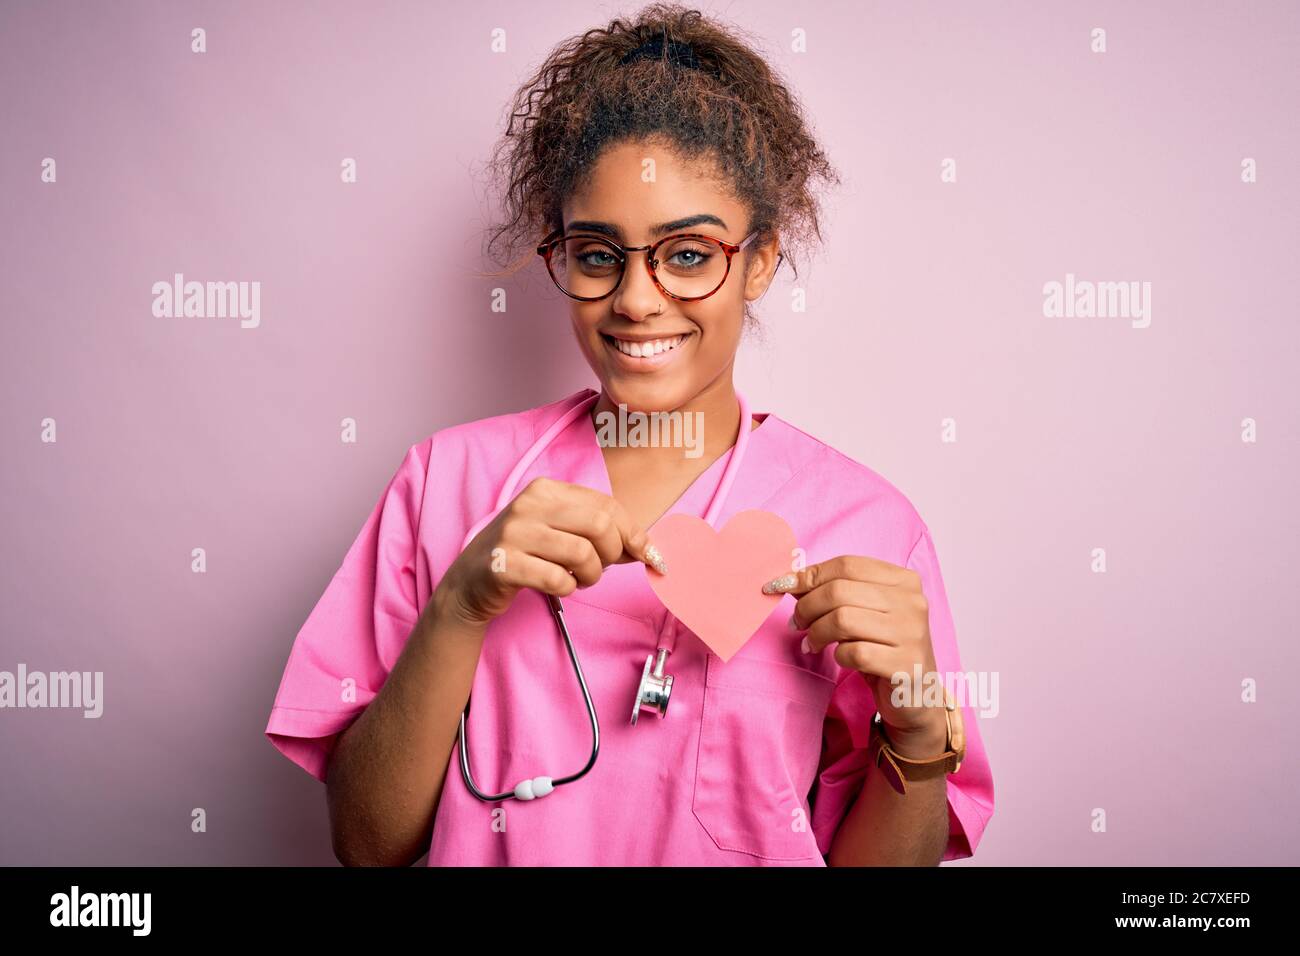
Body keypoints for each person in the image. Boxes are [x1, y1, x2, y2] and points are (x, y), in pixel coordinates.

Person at [265, 3, 994, 867]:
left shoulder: (869, 526)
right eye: (598, 253)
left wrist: (915, 725)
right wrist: (461, 604)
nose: (637, 300)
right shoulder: (445, 483)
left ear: (760, 259)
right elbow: (368, 843)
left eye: (688, 254)